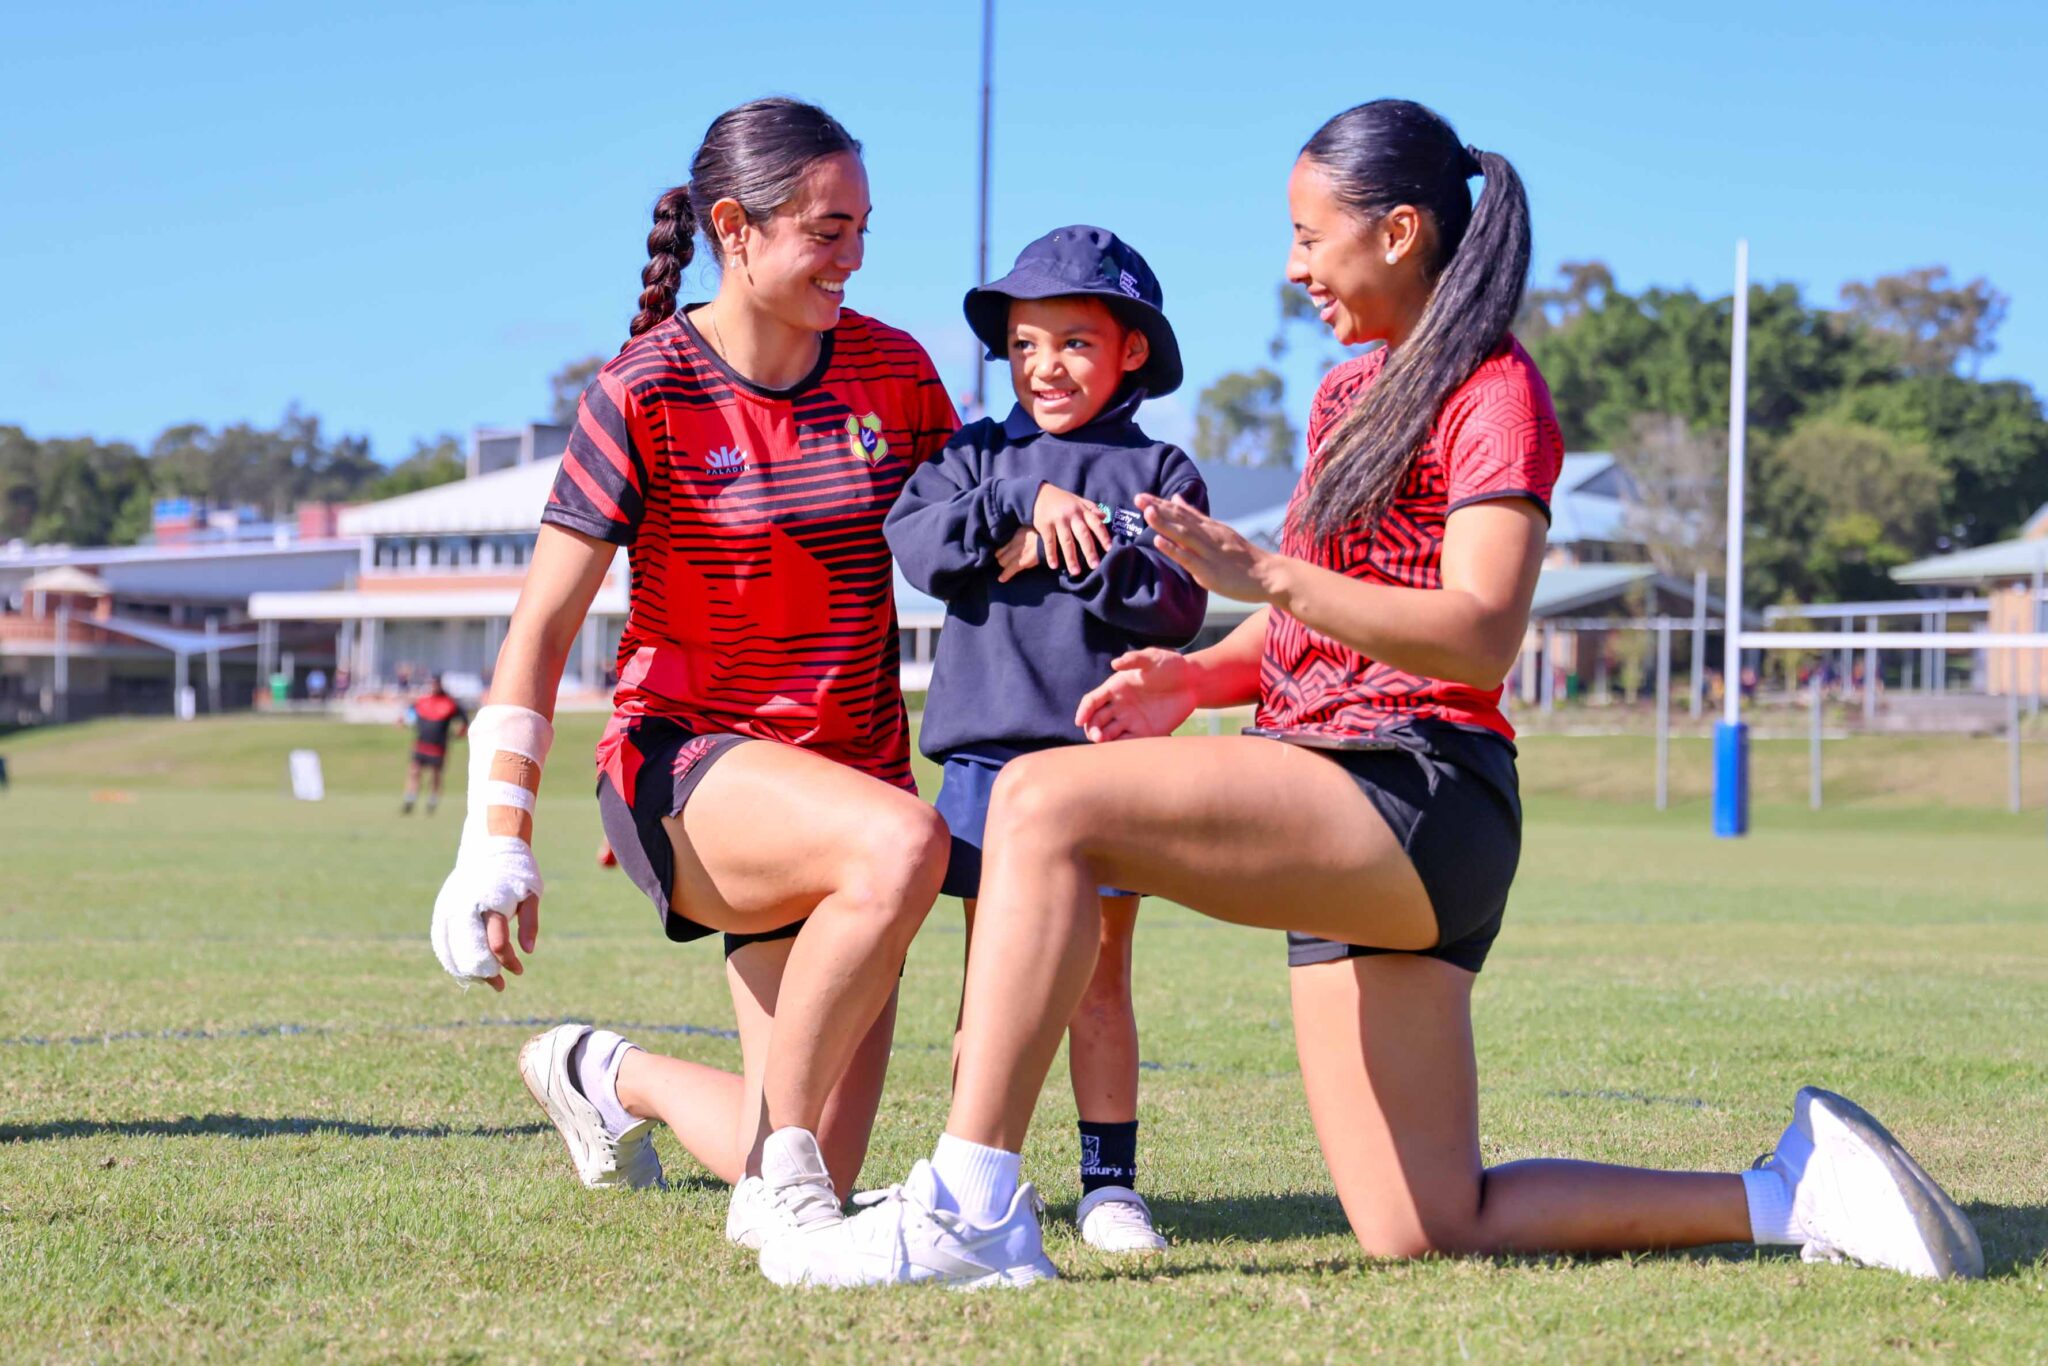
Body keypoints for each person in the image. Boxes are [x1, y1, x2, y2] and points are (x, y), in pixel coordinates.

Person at [759, 98, 1983, 1289]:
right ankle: (1789, 1190)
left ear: (1396, 231)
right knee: (1423, 1220)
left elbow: (1478, 634)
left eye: (1306, 235)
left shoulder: (1496, 392)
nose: (1293, 268)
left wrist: (1266, 576)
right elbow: (1319, 625)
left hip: (1415, 789)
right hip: (1347, 809)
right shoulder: (1349, 390)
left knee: (1039, 804)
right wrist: (1197, 675)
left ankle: (969, 1210)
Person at [427, 97, 958, 1249]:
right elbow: (541, 626)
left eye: (865, 228)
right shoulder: (644, 389)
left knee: (809, 1147)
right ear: (734, 227)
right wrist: (495, 837)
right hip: (687, 770)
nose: (854, 257)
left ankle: (605, 1074)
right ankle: (778, 1206)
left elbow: (972, 531)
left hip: (853, 775)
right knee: (903, 845)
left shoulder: (895, 369)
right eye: (827, 229)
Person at [884, 226, 1208, 1253]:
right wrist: (1023, 501)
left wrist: (1077, 544)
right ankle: (978, 1171)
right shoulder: (977, 455)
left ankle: (1109, 1186)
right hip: (987, 765)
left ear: (1130, 354)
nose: (1044, 366)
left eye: (1073, 340)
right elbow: (918, 548)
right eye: (1025, 344)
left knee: (1099, 973)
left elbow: (1174, 606)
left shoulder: (1160, 468)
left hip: (1104, 769)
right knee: (993, 976)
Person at [400, 675, 467, 815]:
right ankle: (410, 800)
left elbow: (463, 719)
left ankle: (432, 801)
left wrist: (460, 732)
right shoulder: (423, 701)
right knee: (414, 771)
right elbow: (409, 714)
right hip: (421, 743)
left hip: (439, 745)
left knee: (435, 775)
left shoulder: (449, 703)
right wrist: (403, 720)